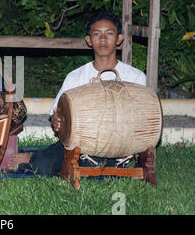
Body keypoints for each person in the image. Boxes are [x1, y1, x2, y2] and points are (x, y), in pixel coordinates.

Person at [8, 9, 146, 174]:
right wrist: (57, 121)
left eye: (109, 33)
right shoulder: (75, 77)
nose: (103, 39)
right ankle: (37, 157)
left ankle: (37, 156)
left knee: (83, 170)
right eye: (96, 34)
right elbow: (57, 113)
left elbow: (140, 119)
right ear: (89, 40)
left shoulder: (136, 77)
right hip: (81, 147)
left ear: (119, 39)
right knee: (43, 167)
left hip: (118, 150)